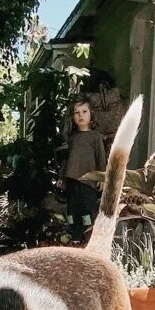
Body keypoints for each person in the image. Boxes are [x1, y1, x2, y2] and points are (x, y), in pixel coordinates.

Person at [62, 97, 107, 242]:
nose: (80, 115)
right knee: (72, 209)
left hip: (88, 181)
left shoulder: (95, 136)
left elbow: (101, 157)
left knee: (87, 209)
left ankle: (88, 239)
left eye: (84, 111)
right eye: (76, 112)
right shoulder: (72, 138)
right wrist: (61, 177)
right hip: (71, 179)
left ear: (91, 114)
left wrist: (102, 177)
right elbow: (66, 159)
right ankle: (74, 237)